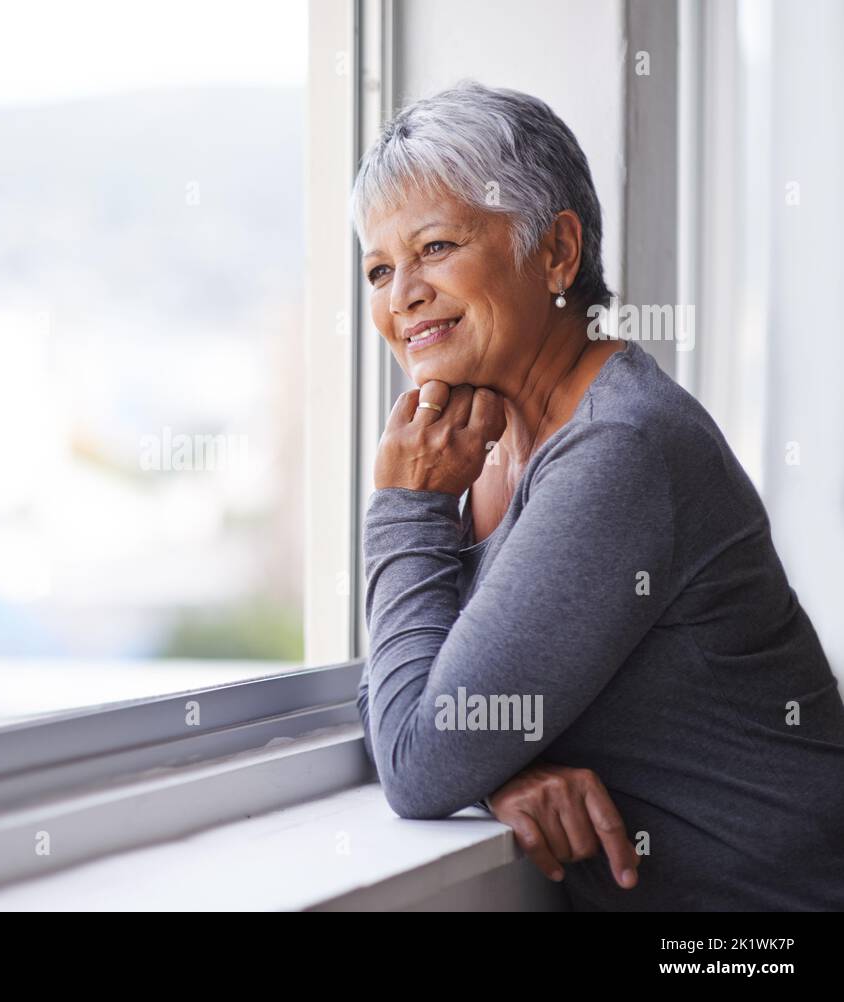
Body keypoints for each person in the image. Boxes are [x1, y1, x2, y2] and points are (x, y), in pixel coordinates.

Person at [352, 81, 844, 910]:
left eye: (435, 247)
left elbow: (417, 757)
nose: (401, 295)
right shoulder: (474, 453)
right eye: (378, 267)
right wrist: (497, 765)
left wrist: (404, 506)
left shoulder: (622, 448)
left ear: (556, 254)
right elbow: (398, 697)